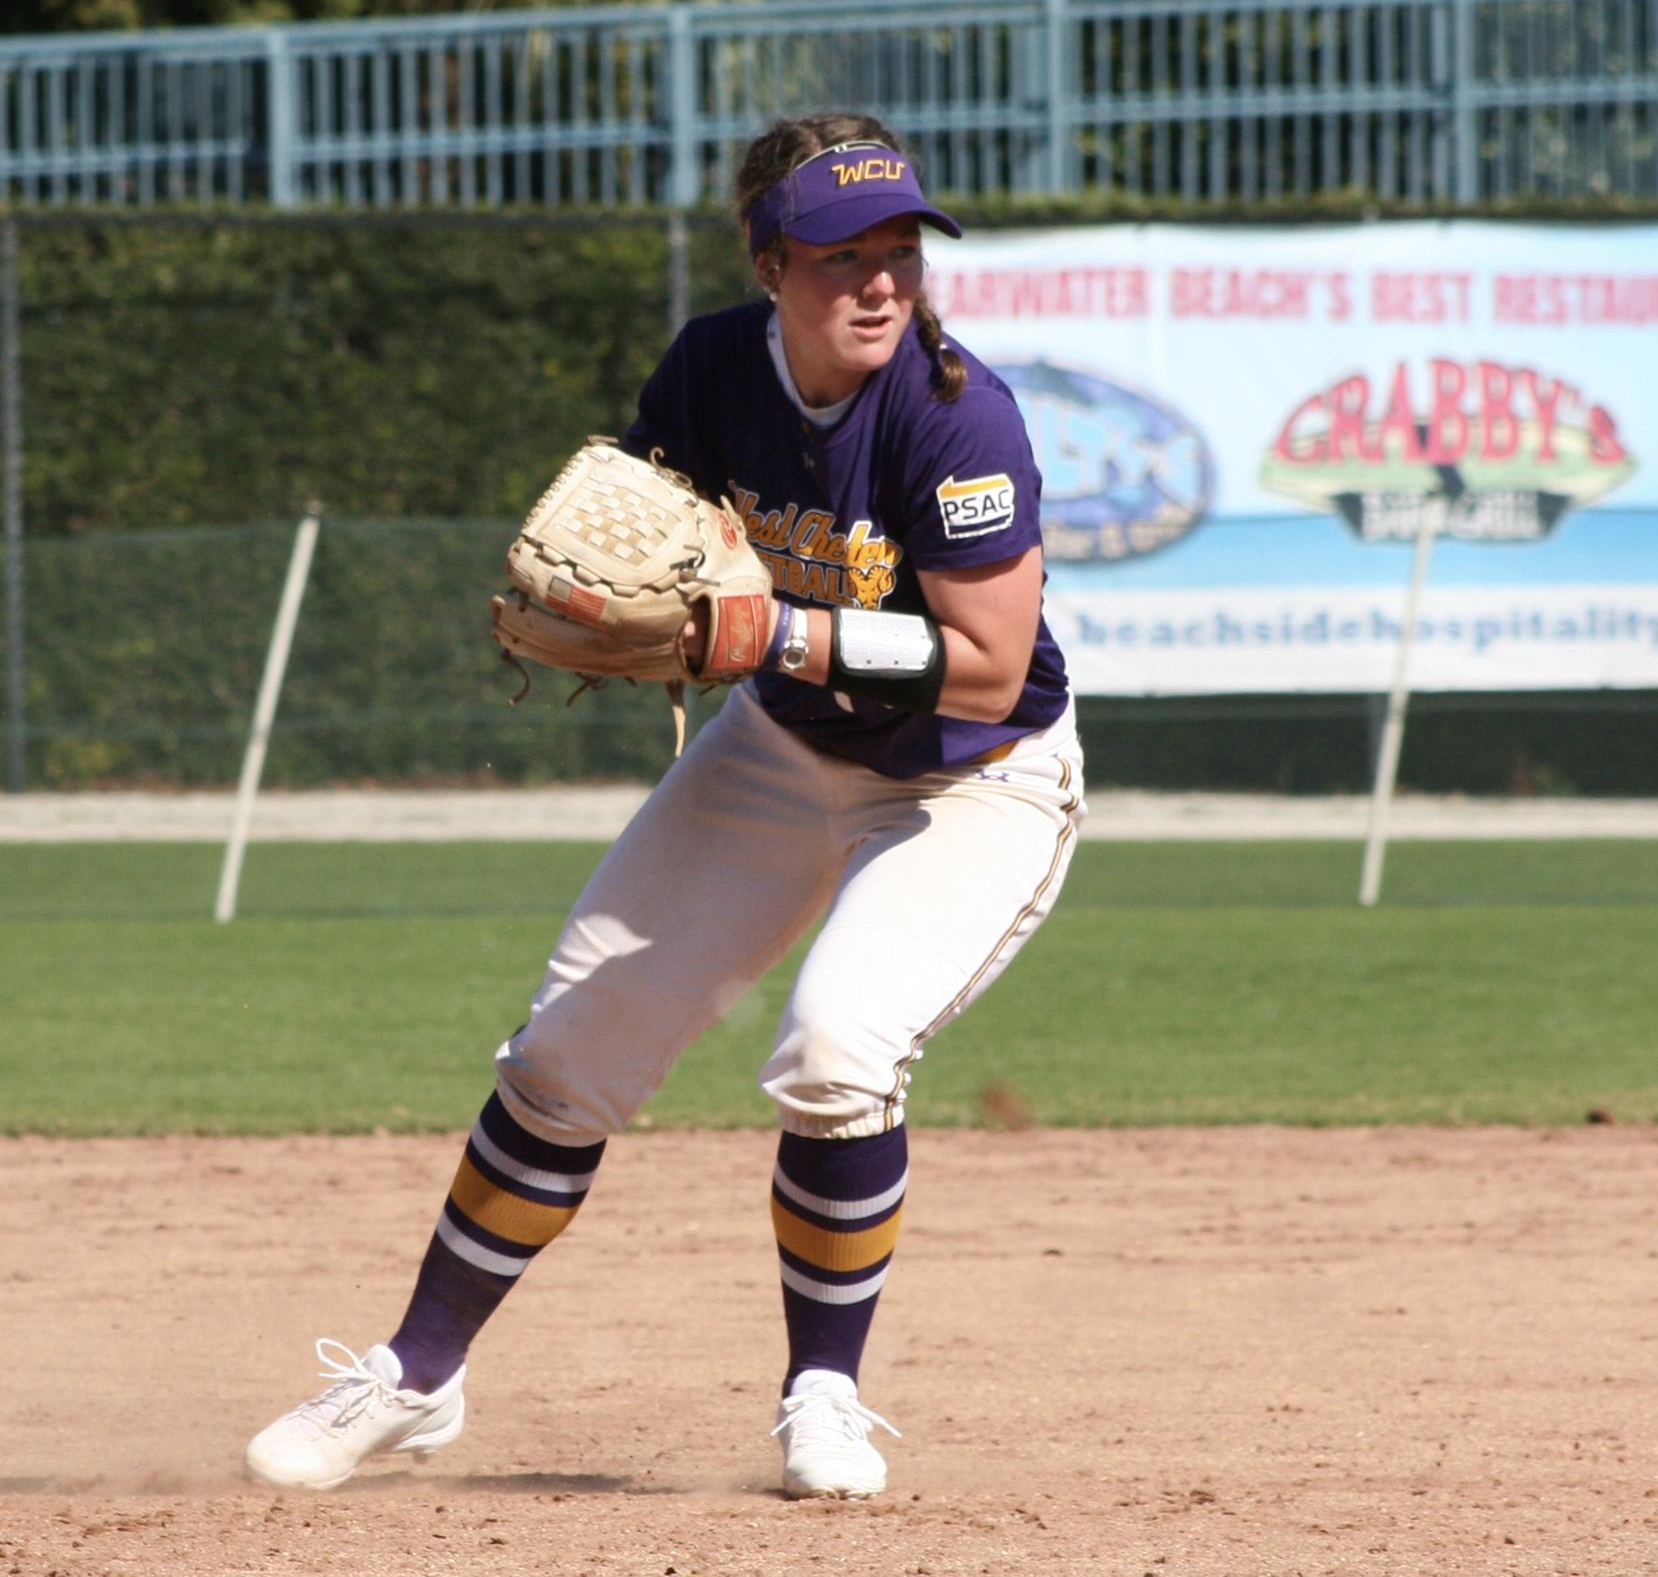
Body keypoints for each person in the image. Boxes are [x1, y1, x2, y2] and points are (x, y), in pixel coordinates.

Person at [243, 112, 1084, 1501]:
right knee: (565, 1054)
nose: (879, 282)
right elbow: (640, 539)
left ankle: (823, 1395)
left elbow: (991, 669)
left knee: (835, 1051)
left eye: (900, 250)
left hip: (967, 779)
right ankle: (414, 1378)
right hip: (781, 754)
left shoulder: (954, 412)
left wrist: (781, 638)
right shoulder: (708, 369)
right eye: (838, 255)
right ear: (769, 263)